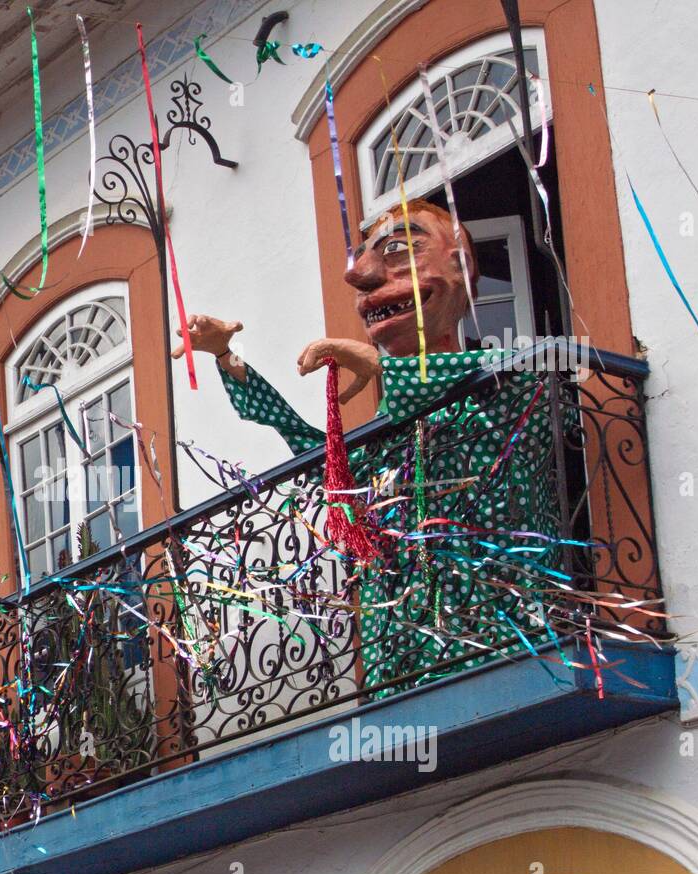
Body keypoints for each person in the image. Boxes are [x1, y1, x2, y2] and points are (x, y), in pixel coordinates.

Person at [177, 199, 566, 697]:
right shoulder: (386, 427)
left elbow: (534, 387)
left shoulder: (510, 376)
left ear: (460, 266)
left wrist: (376, 364)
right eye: (361, 258)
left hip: (505, 633)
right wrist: (230, 359)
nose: (360, 276)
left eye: (401, 248)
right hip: (401, 653)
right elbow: (328, 464)